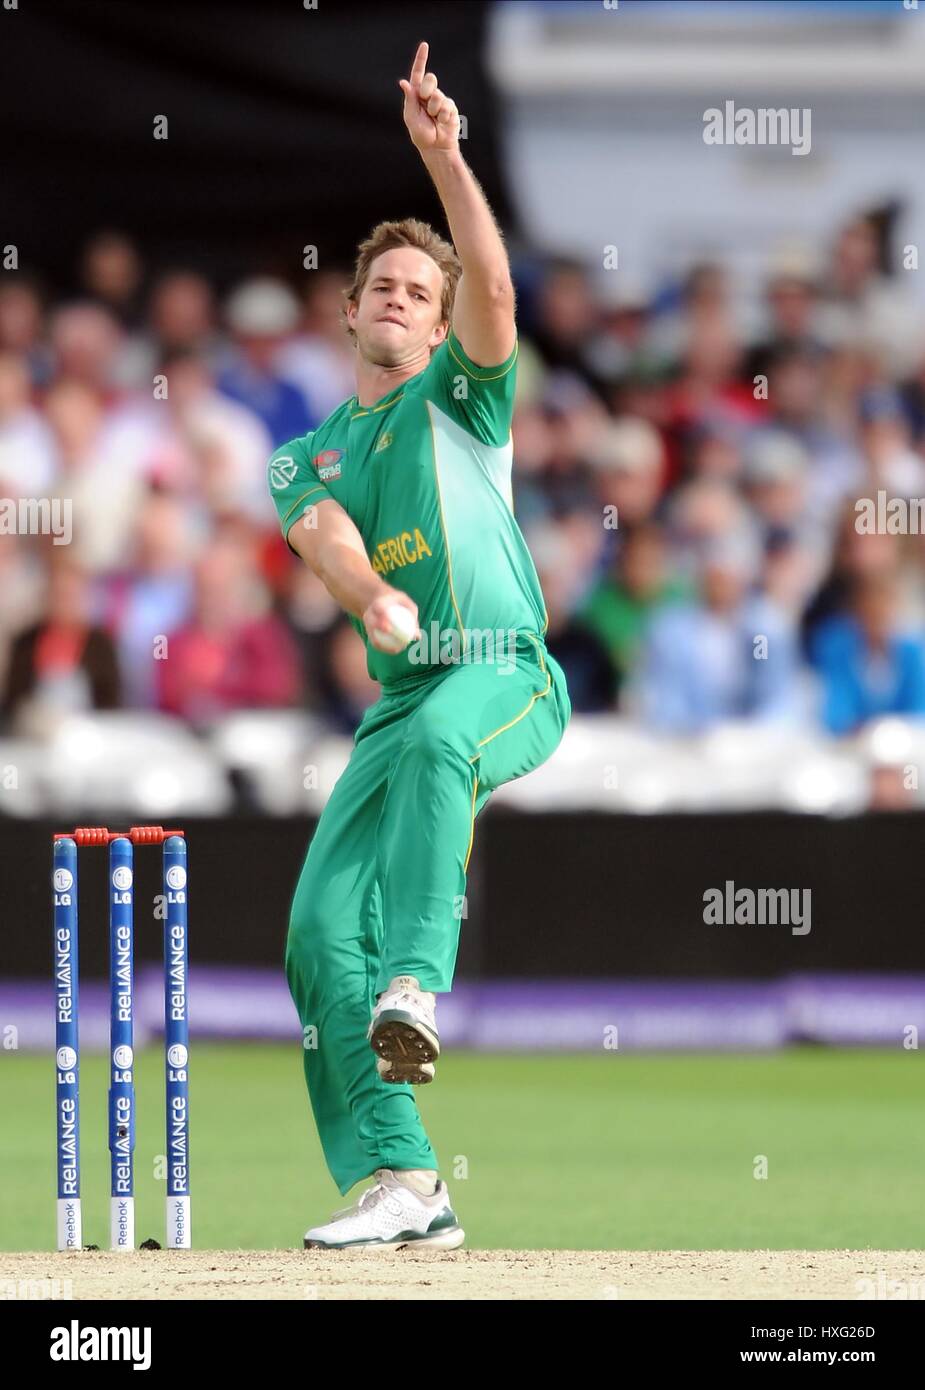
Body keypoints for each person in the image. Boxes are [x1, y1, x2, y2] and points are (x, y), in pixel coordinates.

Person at [267, 43, 570, 1252]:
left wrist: (444, 157)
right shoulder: (310, 448)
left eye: (415, 291)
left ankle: (416, 981)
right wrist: (373, 605)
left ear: (438, 328)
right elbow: (324, 534)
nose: (395, 298)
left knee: (448, 735)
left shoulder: (463, 395)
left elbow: (494, 294)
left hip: (503, 669)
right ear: (347, 310)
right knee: (308, 933)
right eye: (378, 287)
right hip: (403, 695)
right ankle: (403, 1181)